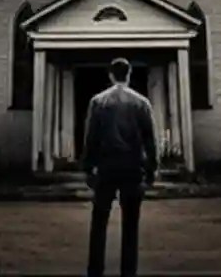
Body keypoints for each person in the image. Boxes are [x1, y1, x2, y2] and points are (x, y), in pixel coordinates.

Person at [83, 57, 158, 277]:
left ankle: (95, 270)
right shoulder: (141, 103)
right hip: (132, 167)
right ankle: (128, 271)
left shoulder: (98, 102)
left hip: (107, 166)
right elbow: (150, 139)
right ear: (129, 74)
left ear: (111, 75)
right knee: (131, 224)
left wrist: (88, 167)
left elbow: (91, 137)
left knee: (99, 221)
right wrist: (152, 168)